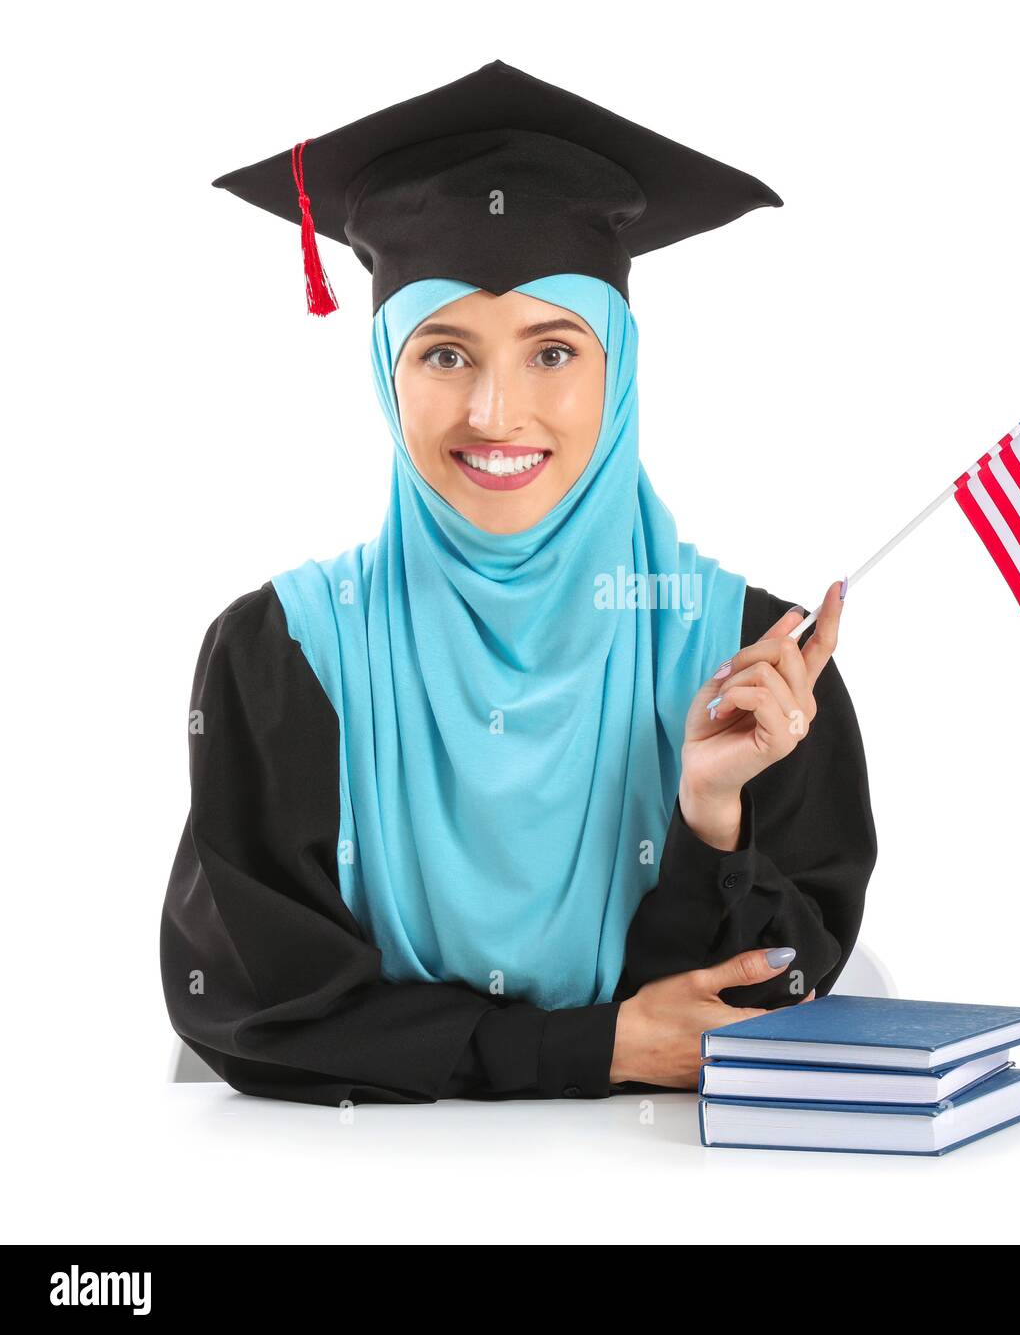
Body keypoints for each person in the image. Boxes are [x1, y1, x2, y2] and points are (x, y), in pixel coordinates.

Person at [161, 60, 878, 1106]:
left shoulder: (754, 659)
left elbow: (763, 1018)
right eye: (444, 355)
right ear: (384, 374)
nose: (495, 413)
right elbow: (248, 1013)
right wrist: (594, 1049)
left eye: (552, 352)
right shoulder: (281, 656)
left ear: (619, 370)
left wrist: (709, 812)